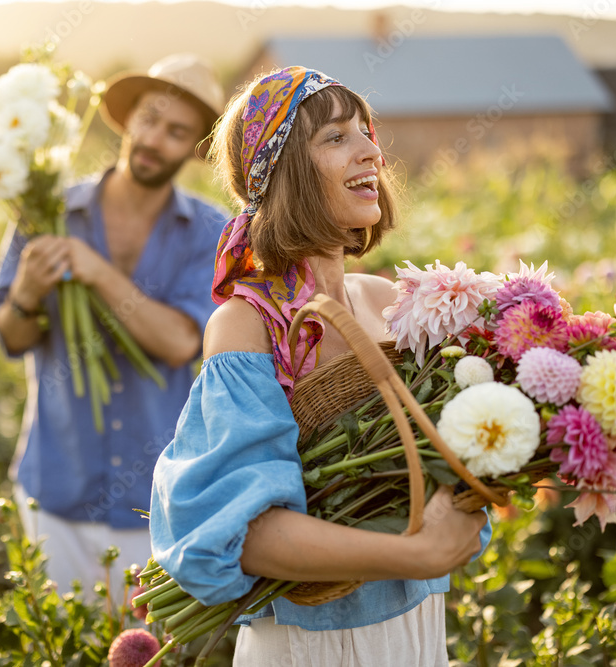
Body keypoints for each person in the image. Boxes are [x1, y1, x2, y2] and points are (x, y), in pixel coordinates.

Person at [149, 67, 491, 665]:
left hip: (417, 627)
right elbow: (248, 532)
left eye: (366, 131)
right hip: (313, 643)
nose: (371, 151)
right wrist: (417, 553)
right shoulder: (249, 324)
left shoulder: (388, 301)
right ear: (284, 175)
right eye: (336, 138)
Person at [0, 54, 229, 599]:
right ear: (127, 120)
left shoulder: (211, 231)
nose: (153, 139)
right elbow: (10, 337)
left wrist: (95, 272)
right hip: (57, 487)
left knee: (146, 652)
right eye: (147, 119)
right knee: (64, 648)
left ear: (193, 148)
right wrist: (25, 295)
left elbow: (180, 342)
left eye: (175, 131)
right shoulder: (48, 211)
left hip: (157, 498)